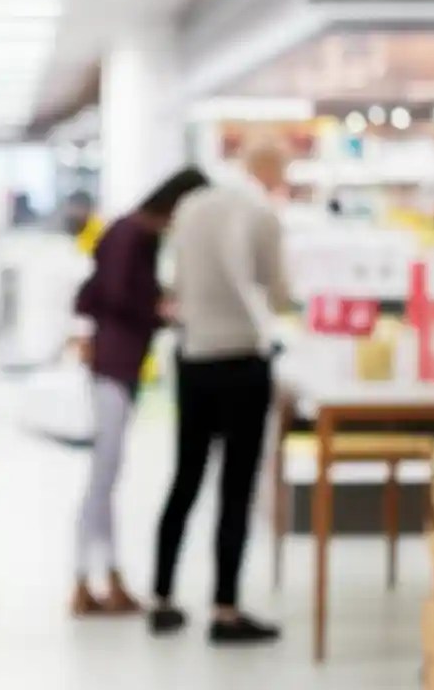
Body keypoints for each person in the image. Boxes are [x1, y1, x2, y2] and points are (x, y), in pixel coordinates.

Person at [151, 139, 292, 644]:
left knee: (186, 478)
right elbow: (280, 293)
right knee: (236, 487)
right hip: (243, 359)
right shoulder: (263, 213)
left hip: (194, 357)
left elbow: (172, 282)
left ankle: (162, 597)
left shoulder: (191, 206)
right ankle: (225, 608)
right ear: (271, 169)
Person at [69, 167, 210, 617]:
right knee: (102, 478)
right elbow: (112, 294)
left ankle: (108, 577)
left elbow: (97, 293)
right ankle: (83, 579)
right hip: (114, 363)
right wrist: (160, 311)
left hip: (120, 364)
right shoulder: (132, 235)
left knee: (108, 477)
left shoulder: (131, 234)